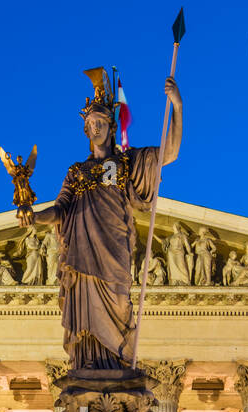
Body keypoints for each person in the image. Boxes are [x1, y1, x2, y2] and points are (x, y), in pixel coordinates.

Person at [18, 73, 182, 368]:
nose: (95, 128)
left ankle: (117, 365)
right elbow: (61, 210)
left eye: (101, 123)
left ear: (111, 127)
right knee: (86, 318)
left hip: (114, 251)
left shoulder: (127, 162)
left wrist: (177, 107)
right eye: (91, 124)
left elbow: (169, 152)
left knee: (119, 303)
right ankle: (90, 365)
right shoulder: (76, 171)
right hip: (83, 256)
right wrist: (34, 217)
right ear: (85, 130)